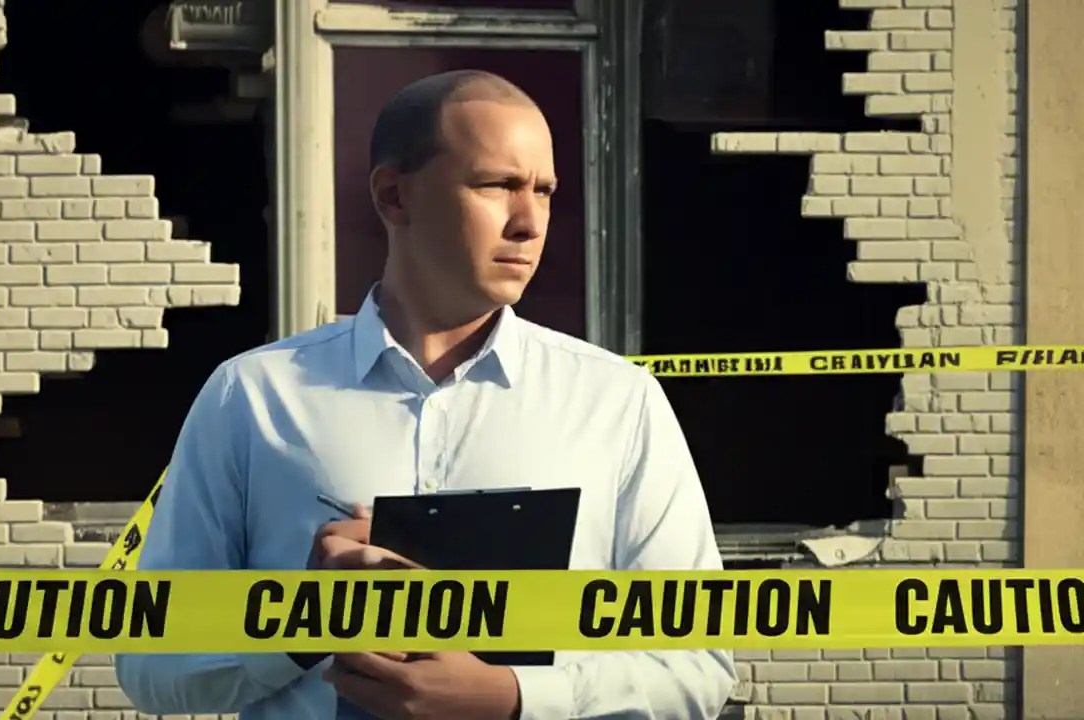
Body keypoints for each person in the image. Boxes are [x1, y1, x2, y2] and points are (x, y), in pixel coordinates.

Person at [115, 69, 736, 719]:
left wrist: (514, 698)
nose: (530, 222)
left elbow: (696, 663)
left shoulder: (617, 403)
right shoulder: (251, 399)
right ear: (392, 195)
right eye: (498, 184)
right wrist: (302, 623)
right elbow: (152, 665)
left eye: (545, 190)